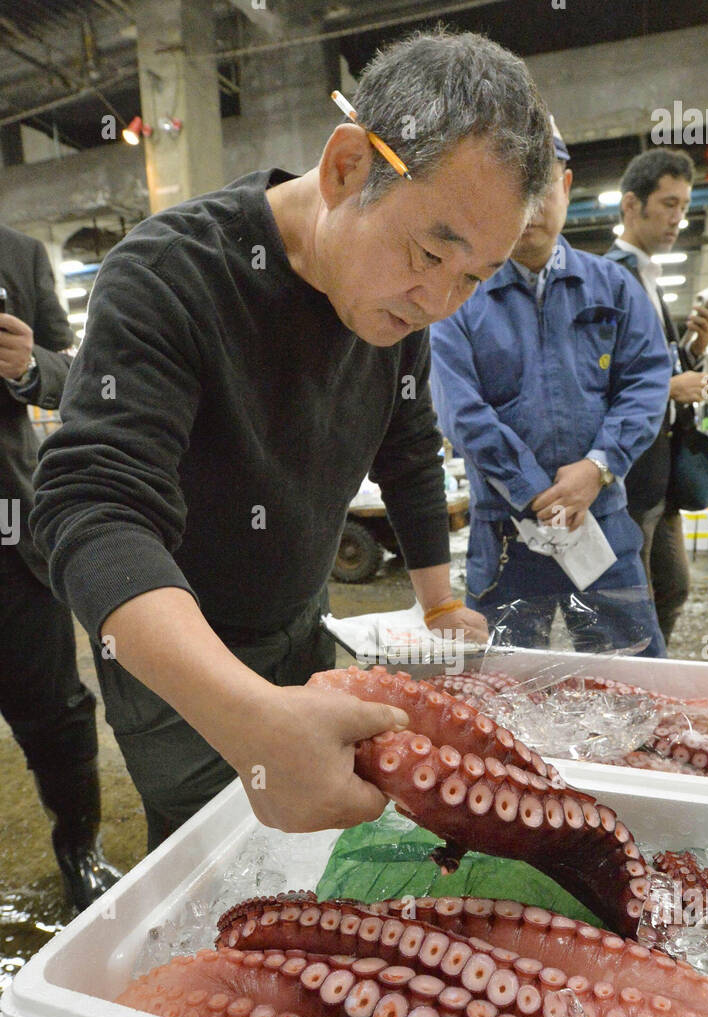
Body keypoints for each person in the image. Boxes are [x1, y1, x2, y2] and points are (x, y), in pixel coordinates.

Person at [32, 29, 552, 852]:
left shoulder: (399, 309)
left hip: (300, 618)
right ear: (347, 166)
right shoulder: (170, 276)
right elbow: (91, 506)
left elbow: (410, 447)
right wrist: (245, 716)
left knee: (339, 846)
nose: (440, 301)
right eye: (429, 254)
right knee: (219, 858)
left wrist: (440, 601)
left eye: (470, 279)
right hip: (179, 652)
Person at [429, 121, 671, 657]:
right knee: (501, 687)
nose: (532, 207)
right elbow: (460, 410)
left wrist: (597, 468)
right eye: (517, 192)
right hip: (508, 533)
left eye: (543, 188)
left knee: (632, 676)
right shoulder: (458, 297)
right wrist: (533, 491)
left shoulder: (613, 288)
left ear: (565, 186)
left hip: (600, 520)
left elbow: (646, 382)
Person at [0, 225, 120, 910]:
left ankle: (79, 849)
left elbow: (75, 376)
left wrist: (27, 365)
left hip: (9, 533)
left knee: (55, 710)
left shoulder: (16, 252)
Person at [605, 149, 708, 643]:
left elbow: (656, 366)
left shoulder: (650, 279)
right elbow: (596, 378)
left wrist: (695, 347)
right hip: (627, 475)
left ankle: (650, 683)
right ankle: (629, 699)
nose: (679, 217)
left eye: (684, 206)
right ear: (632, 205)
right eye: (669, 204)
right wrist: (670, 387)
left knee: (670, 590)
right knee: (630, 606)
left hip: (661, 474)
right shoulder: (609, 279)